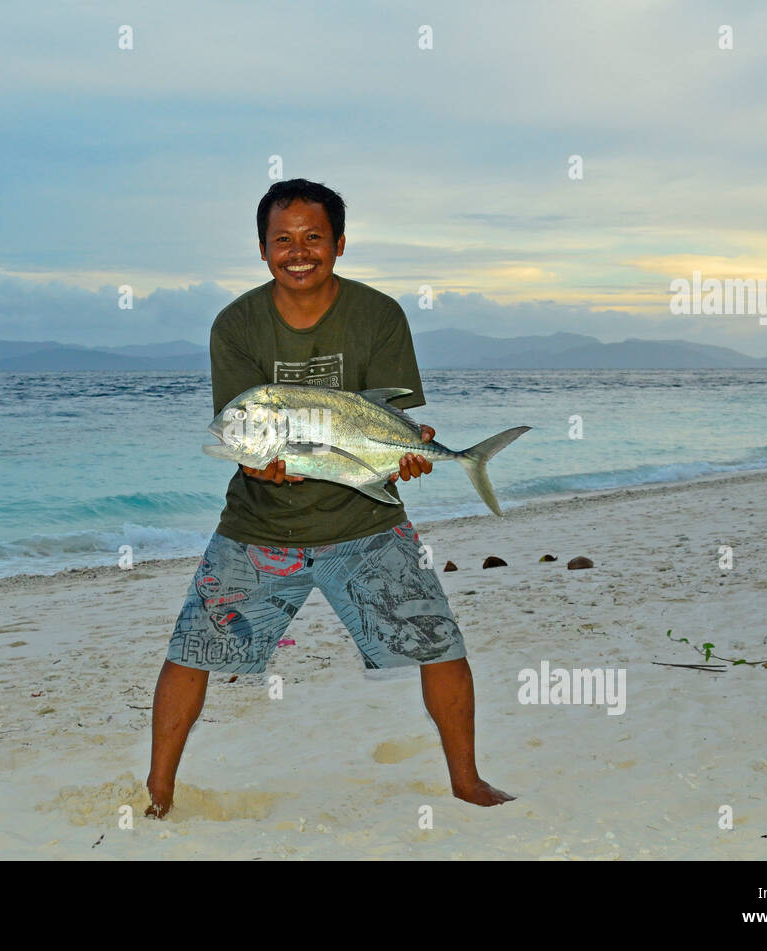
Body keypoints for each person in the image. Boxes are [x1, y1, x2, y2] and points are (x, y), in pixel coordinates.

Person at [144, 179, 514, 817]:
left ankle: (467, 781)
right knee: (190, 650)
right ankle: (158, 790)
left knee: (442, 646)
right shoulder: (235, 325)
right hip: (259, 528)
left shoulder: (378, 315)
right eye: (282, 239)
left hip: (367, 519)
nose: (299, 251)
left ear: (339, 244)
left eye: (313, 237)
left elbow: (389, 421)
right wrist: (265, 470)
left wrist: (414, 451)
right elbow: (243, 436)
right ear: (262, 250)